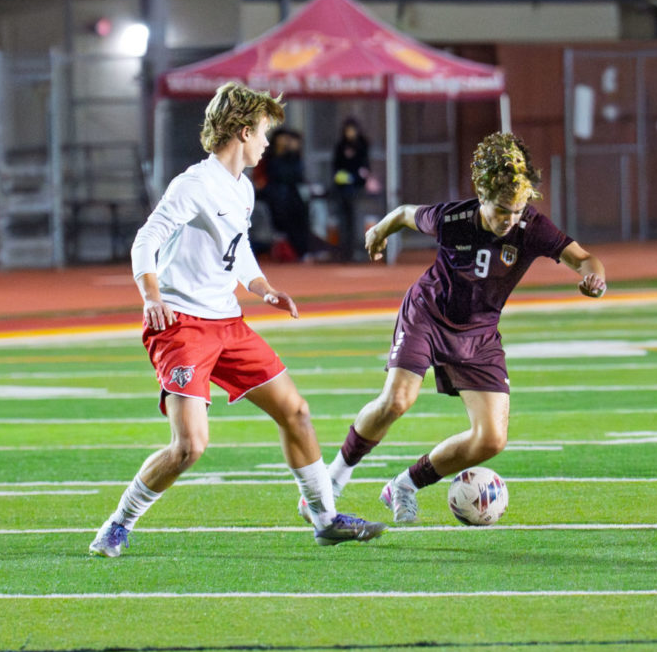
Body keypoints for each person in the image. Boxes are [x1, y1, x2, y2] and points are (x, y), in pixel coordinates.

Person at [90, 81, 387, 557]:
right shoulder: (193, 184)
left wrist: (263, 288)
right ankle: (118, 523)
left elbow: (238, 247)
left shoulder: (242, 188)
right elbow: (145, 240)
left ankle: (325, 517)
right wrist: (150, 294)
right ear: (244, 132)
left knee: (296, 411)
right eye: (264, 133)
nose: (268, 143)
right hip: (183, 325)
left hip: (227, 324)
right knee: (190, 448)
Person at [317, 132, 606, 524]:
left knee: (491, 439)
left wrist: (595, 279)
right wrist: (378, 231)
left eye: (518, 210)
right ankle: (331, 481)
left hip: (479, 331)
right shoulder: (452, 219)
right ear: (482, 196)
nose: (510, 219)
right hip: (429, 314)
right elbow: (403, 213)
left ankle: (403, 485)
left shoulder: (532, 228)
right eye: (503, 209)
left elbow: (584, 258)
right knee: (398, 400)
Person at [259, 126, 312, 262]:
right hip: (273, 194)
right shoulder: (268, 157)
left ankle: (300, 250)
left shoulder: (293, 157)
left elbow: (296, 176)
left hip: (291, 195)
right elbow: (268, 176)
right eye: (281, 138)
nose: (284, 142)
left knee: (300, 213)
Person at [330, 117, 371, 260]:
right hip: (342, 189)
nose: (350, 133)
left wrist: (357, 178)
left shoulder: (362, 145)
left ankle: (359, 250)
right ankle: (344, 251)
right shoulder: (340, 146)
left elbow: (365, 168)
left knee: (357, 218)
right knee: (343, 219)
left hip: (357, 189)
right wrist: (343, 178)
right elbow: (336, 168)